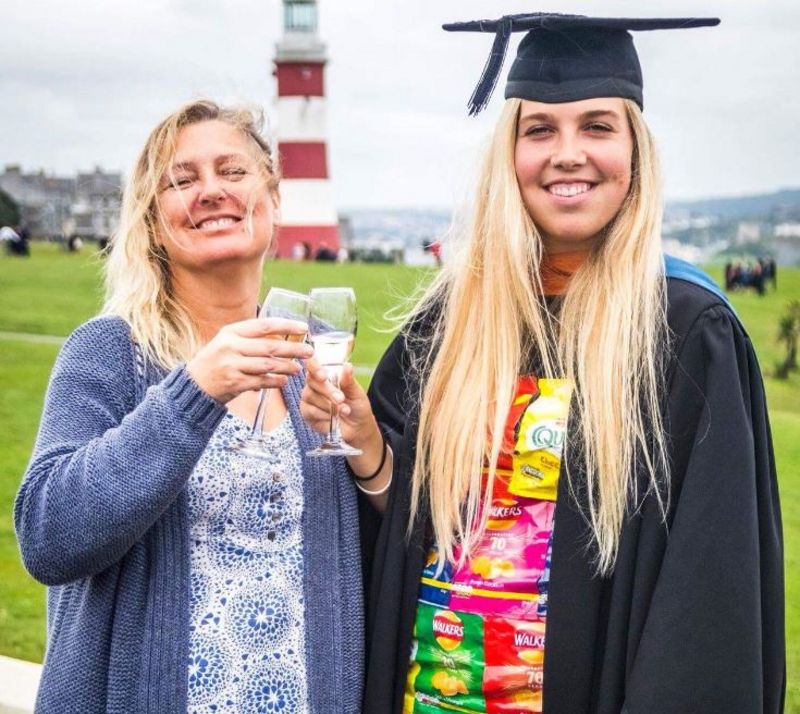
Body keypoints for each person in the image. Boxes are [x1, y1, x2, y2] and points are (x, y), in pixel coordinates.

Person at [300, 13, 784, 714]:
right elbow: (395, 544)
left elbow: (707, 602)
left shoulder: (685, 334)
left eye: (597, 126)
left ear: (636, 151)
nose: (568, 154)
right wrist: (370, 450)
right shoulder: (449, 326)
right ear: (510, 153)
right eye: (540, 130)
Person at [15, 99, 364, 713]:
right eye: (181, 180)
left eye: (233, 171)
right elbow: (48, 537)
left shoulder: (306, 363)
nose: (211, 191)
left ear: (273, 199)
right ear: (152, 222)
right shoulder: (111, 352)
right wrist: (193, 393)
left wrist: (372, 455)